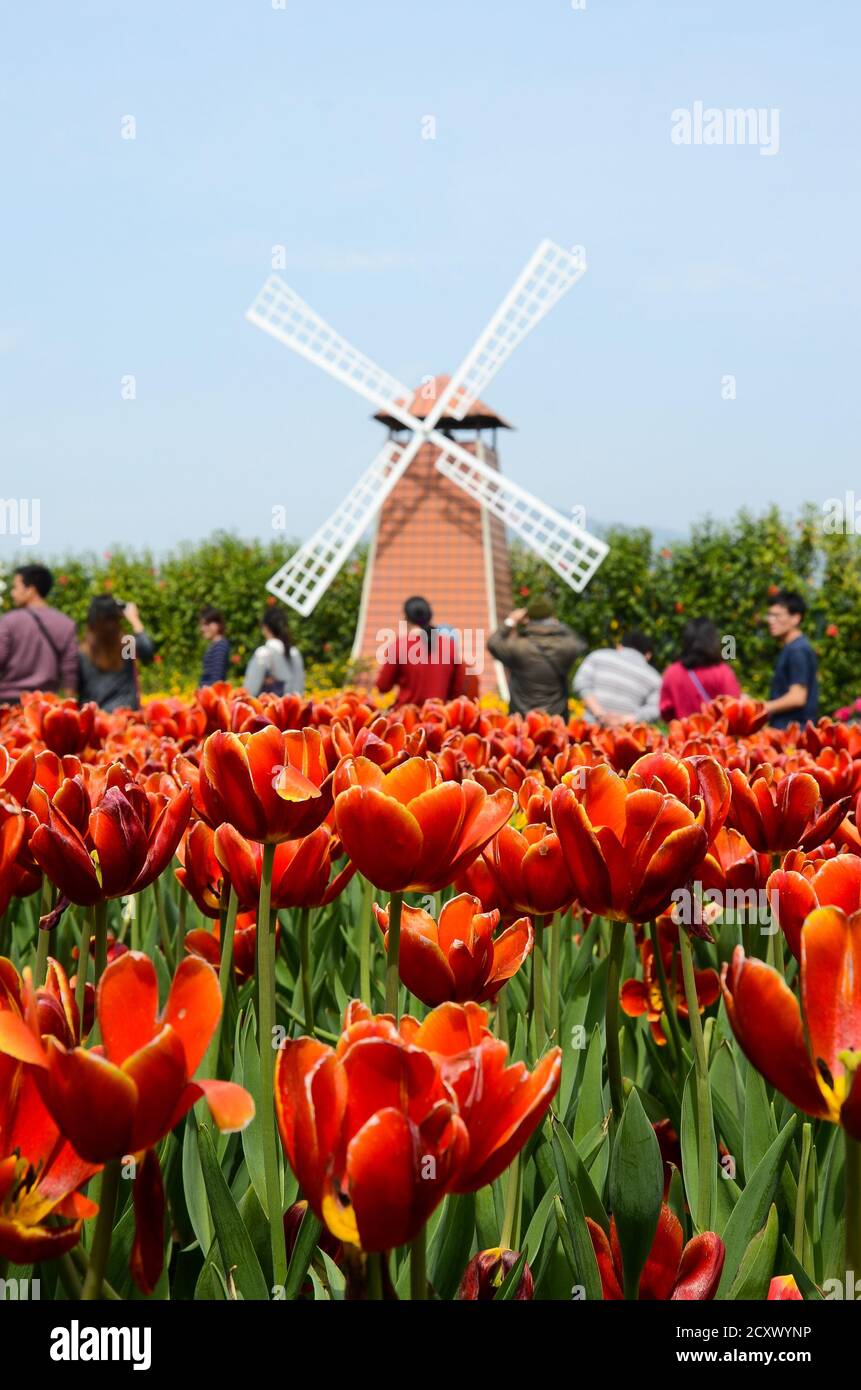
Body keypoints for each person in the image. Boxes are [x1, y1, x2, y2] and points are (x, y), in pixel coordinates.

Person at [488, 594, 585, 718]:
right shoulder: (564, 647)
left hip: (522, 720)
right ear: (552, 616)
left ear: (528, 617)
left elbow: (493, 643)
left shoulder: (518, 646)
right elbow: (579, 643)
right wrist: (558, 624)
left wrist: (511, 620)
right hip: (555, 720)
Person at [0, 564, 78, 704]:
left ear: (31, 590)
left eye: (15, 587)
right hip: (45, 705)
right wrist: (68, 704)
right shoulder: (66, 623)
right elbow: (70, 669)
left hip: (9, 704)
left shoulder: (8, 621)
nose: (12, 593)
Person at [375, 596, 466, 707]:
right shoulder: (450, 646)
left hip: (405, 719)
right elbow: (457, 690)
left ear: (406, 619)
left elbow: (382, 686)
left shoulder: (399, 646)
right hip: (438, 718)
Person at [77, 596, 155, 711]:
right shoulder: (125, 645)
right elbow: (147, 651)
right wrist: (134, 619)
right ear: (117, 617)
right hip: (125, 716)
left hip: (97, 719)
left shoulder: (83, 650)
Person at [573, 629, 661, 725]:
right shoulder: (654, 677)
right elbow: (655, 709)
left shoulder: (597, 656)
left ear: (619, 646)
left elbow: (581, 683)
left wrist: (600, 714)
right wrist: (623, 720)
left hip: (590, 729)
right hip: (626, 735)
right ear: (648, 655)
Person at [660, 617, 741, 720]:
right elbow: (734, 709)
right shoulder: (723, 672)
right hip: (716, 734)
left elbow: (665, 711)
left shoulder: (672, 673)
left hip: (683, 735)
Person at [763, 589, 819, 728]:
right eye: (769, 615)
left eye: (777, 616)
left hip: (792, 734)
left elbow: (797, 697)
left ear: (796, 618)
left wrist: (761, 707)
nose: (770, 621)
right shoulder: (791, 648)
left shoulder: (797, 650)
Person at [244, 606, 305, 697]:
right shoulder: (295, 653)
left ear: (265, 627)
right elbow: (299, 689)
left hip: (270, 709)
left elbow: (250, 691)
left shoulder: (263, 653)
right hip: (294, 708)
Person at [199, 606, 231, 686]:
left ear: (218, 624)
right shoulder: (216, 645)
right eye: (202, 625)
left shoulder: (220, 646)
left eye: (207, 624)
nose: (202, 628)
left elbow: (217, 679)